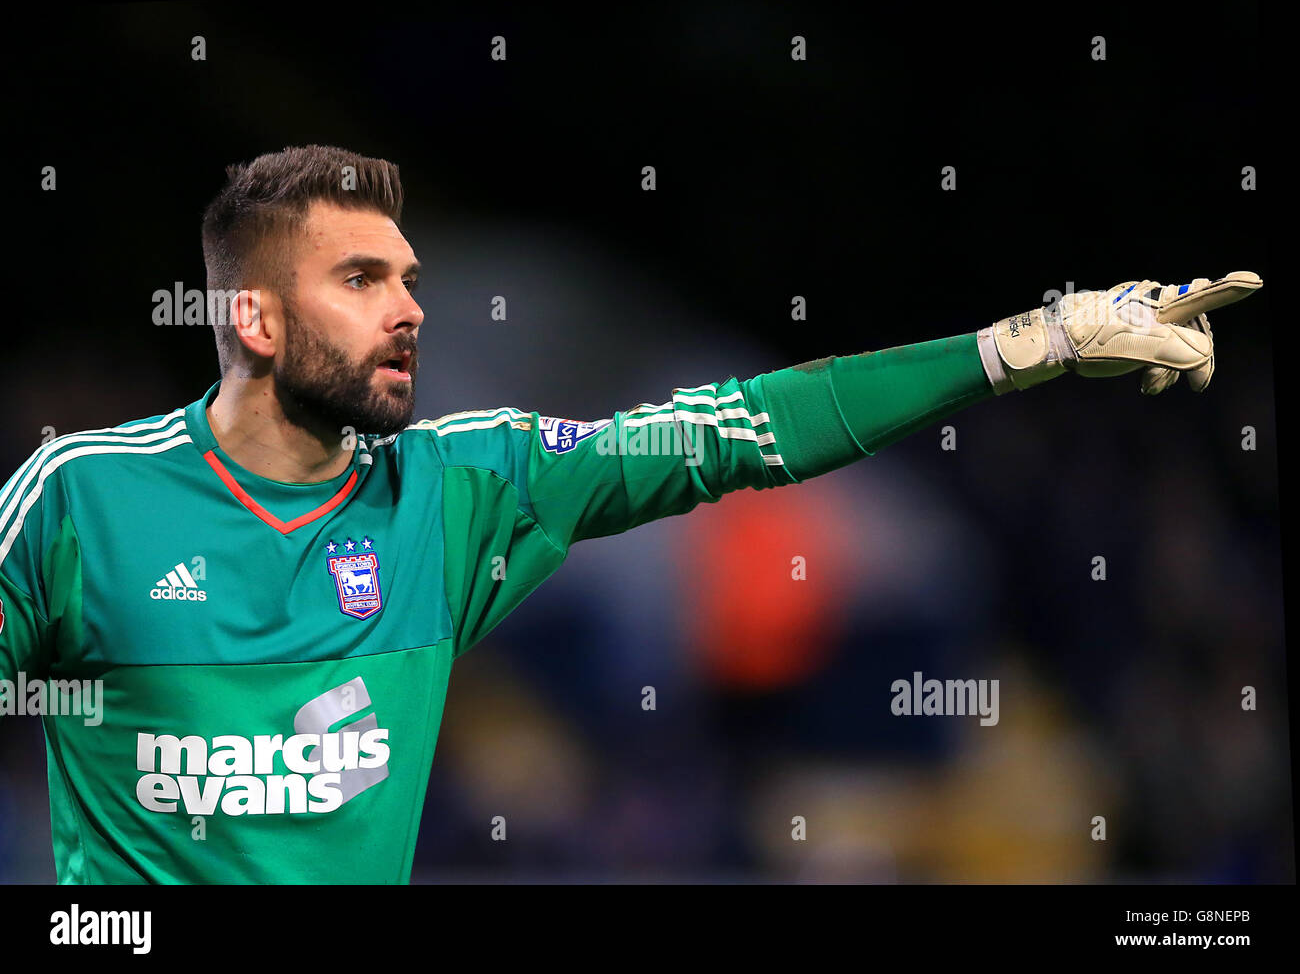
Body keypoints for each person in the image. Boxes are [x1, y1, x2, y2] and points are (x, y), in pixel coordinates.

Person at [0, 144, 1262, 883]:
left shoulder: (463, 481)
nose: (409, 310)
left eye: (409, 279)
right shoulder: (81, 500)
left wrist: (1020, 344)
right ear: (255, 320)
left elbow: (739, 432)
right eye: (360, 280)